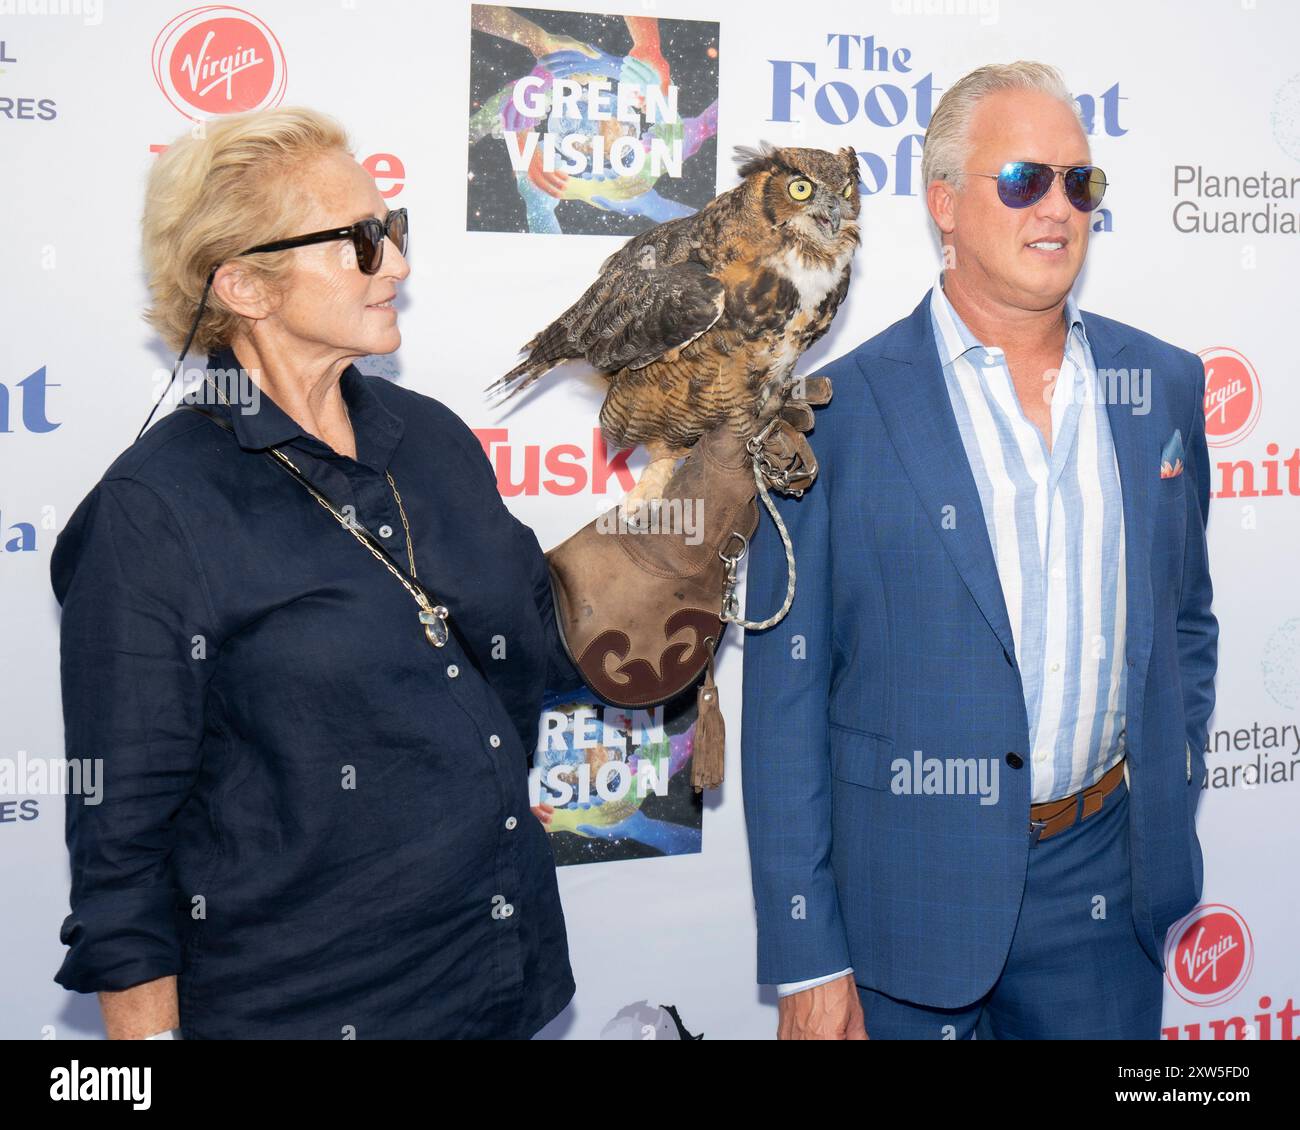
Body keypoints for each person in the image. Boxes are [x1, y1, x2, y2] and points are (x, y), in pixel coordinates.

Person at [50, 107, 584, 1038]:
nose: (400, 265)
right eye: (361, 242)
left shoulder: (434, 442)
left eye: (396, 230)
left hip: (500, 979)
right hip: (304, 1005)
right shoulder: (154, 512)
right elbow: (120, 852)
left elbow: (543, 645)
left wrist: (688, 532)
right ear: (245, 286)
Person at [741, 61, 1217, 1039]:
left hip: (1105, 894)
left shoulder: (1161, 386)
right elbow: (784, 705)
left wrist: (1167, 776)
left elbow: (1185, 619)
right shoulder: (829, 416)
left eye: (1080, 183)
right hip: (900, 915)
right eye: (1023, 180)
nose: (1058, 208)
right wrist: (808, 956)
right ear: (944, 204)